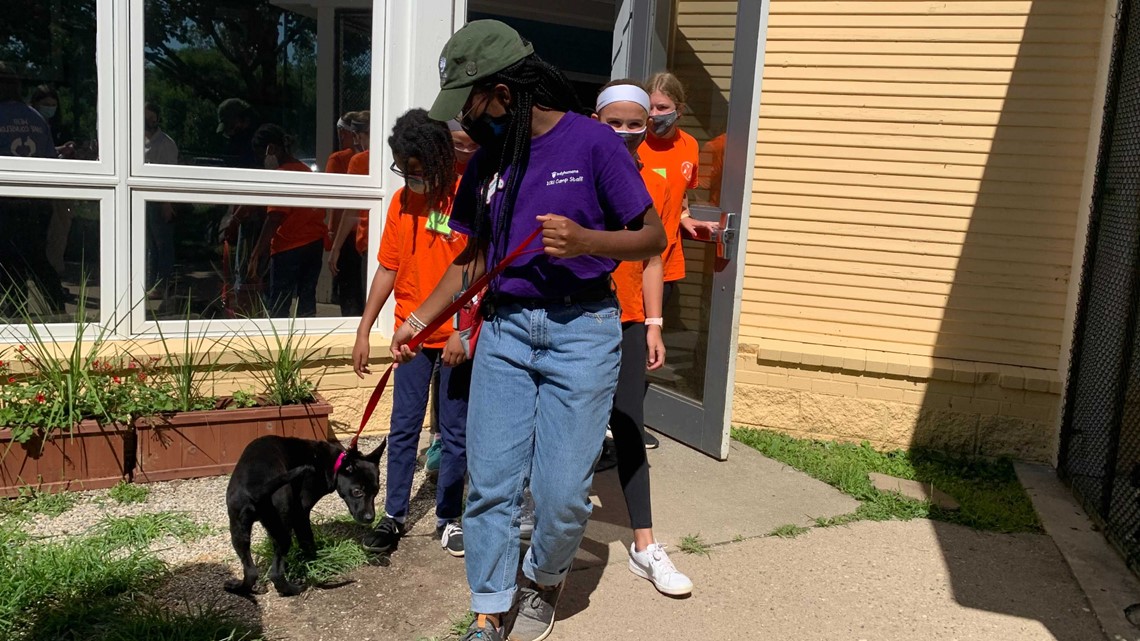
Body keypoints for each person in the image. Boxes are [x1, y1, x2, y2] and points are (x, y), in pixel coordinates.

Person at [392, 21, 666, 641]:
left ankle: (543, 578)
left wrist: (587, 241)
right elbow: (471, 260)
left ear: (506, 92)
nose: (465, 118)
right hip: (508, 333)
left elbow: (652, 237)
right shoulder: (490, 161)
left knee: (564, 494)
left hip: (584, 330)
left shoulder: (593, 143)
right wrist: (415, 322)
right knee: (490, 486)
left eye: (472, 100)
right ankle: (490, 606)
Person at [353, 109, 470, 558]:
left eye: (419, 171)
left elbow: (477, 275)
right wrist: (365, 330)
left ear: (442, 160)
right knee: (403, 428)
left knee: (455, 431)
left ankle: (449, 517)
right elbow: (388, 267)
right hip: (412, 338)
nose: (413, 179)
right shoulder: (403, 202)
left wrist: (463, 331)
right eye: (406, 170)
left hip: (457, 338)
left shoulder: (467, 199)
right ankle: (394, 515)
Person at [592, 79, 694, 597]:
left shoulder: (648, 181)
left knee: (629, 426)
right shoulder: (580, 173)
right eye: (618, 123)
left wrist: (654, 324)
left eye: (638, 123)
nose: (629, 132)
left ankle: (644, 545)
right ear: (597, 121)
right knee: (569, 433)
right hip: (580, 322)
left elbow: (653, 256)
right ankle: (549, 540)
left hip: (630, 320)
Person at [638, 72, 720, 306]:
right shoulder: (635, 142)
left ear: (679, 110)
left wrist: (684, 216)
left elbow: (679, 192)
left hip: (667, 260)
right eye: (649, 107)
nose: (654, 115)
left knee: (651, 337)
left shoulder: (689, 145)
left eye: (662, 107)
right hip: (631, 259)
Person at [0, 62, 66, 316]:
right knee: (38, 261)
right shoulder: (36, 118)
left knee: (8, 264)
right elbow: (49, 161)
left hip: (5, 204)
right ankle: (59, 311)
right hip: (37, 205)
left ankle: (15, 314)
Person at [247, 124, 328, 317]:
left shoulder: (282, 175)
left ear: (271, 149)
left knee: (279, 305)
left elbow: (275, 217)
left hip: (289, 248)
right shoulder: (304, 170)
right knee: (307, 302)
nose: (262, 161)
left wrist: (256, 253)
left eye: (261, 155)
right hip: (314, 244)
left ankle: (279, 344)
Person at [329, 111, 371, 315]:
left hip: (368, 243)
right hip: (394, 242)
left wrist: (335, 247)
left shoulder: (359, 160)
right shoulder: (397, 156)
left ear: (359, 135)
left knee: (359, 303)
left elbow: (350, 207)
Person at [144, 102, 179, 298]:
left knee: (162, 244)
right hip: (144, 201)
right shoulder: (137, 141)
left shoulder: (166, 143)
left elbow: (170, 176)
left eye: (151, 117)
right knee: (150, 245)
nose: (149, 121)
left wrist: (167, 204)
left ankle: (162, 284)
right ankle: (151, 284)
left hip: (160, 200)